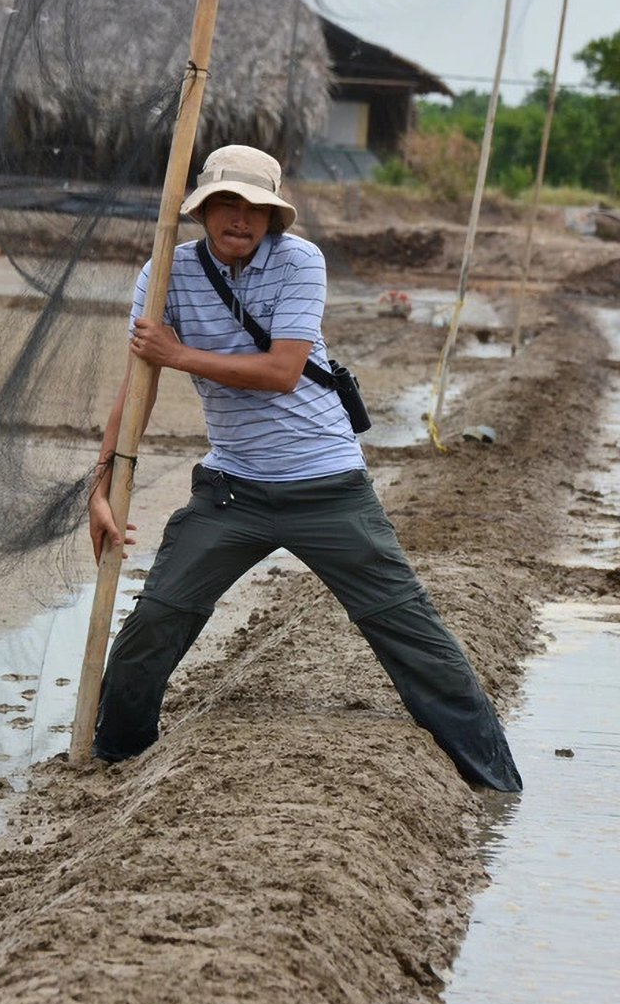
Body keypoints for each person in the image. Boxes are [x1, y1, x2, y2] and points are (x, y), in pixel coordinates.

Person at [88, 143, 521, 791]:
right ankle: (114, 766)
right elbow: (139, 381)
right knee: (157, 618)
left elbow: (282, 370)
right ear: (202, 209)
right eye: (226, 203)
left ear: (273, 216)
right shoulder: (163, 274)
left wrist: (179, 356)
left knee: (409, 630)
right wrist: (101, 484)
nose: (240, 218)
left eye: (256, 207)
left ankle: (494, 784)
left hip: (327, 487)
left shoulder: (299, 261)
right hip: (232, 489)